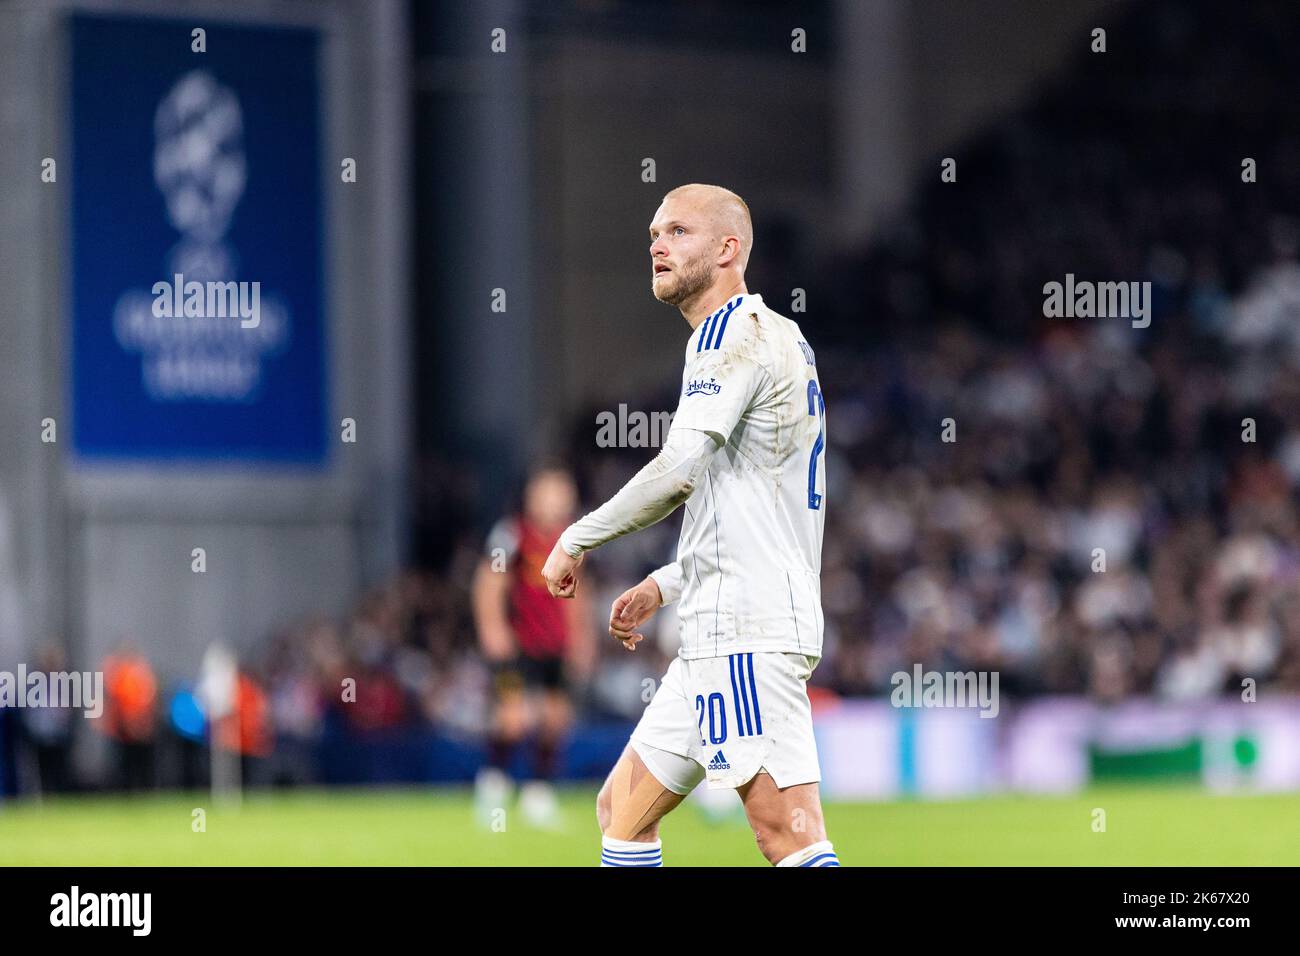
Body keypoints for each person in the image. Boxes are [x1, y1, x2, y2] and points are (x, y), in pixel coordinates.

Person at [542, 184, 838, 867]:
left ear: (728, 249)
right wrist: (663, 584)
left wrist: (576, 536)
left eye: (678, 231)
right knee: (621, 811)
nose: (657, 243)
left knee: (786, 834)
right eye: (654, 232)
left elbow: (679, 471)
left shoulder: (730, 334)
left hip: (746, 633)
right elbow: (750, 510)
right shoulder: (775, 336)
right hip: (717, 624)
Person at [473, 465, 592, 827]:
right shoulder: (511, 533)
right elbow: (488, 581)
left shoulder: (573, 538)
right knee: (513, 719)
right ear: (531, 496)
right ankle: (492, 784)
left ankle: (538, 792)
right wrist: (492, 628)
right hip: (516, 642)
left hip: (554, 643)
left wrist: (581, 639)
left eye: (562, 492)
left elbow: (579, 592)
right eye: (549, 492)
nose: (556, 499)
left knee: (555, 720)